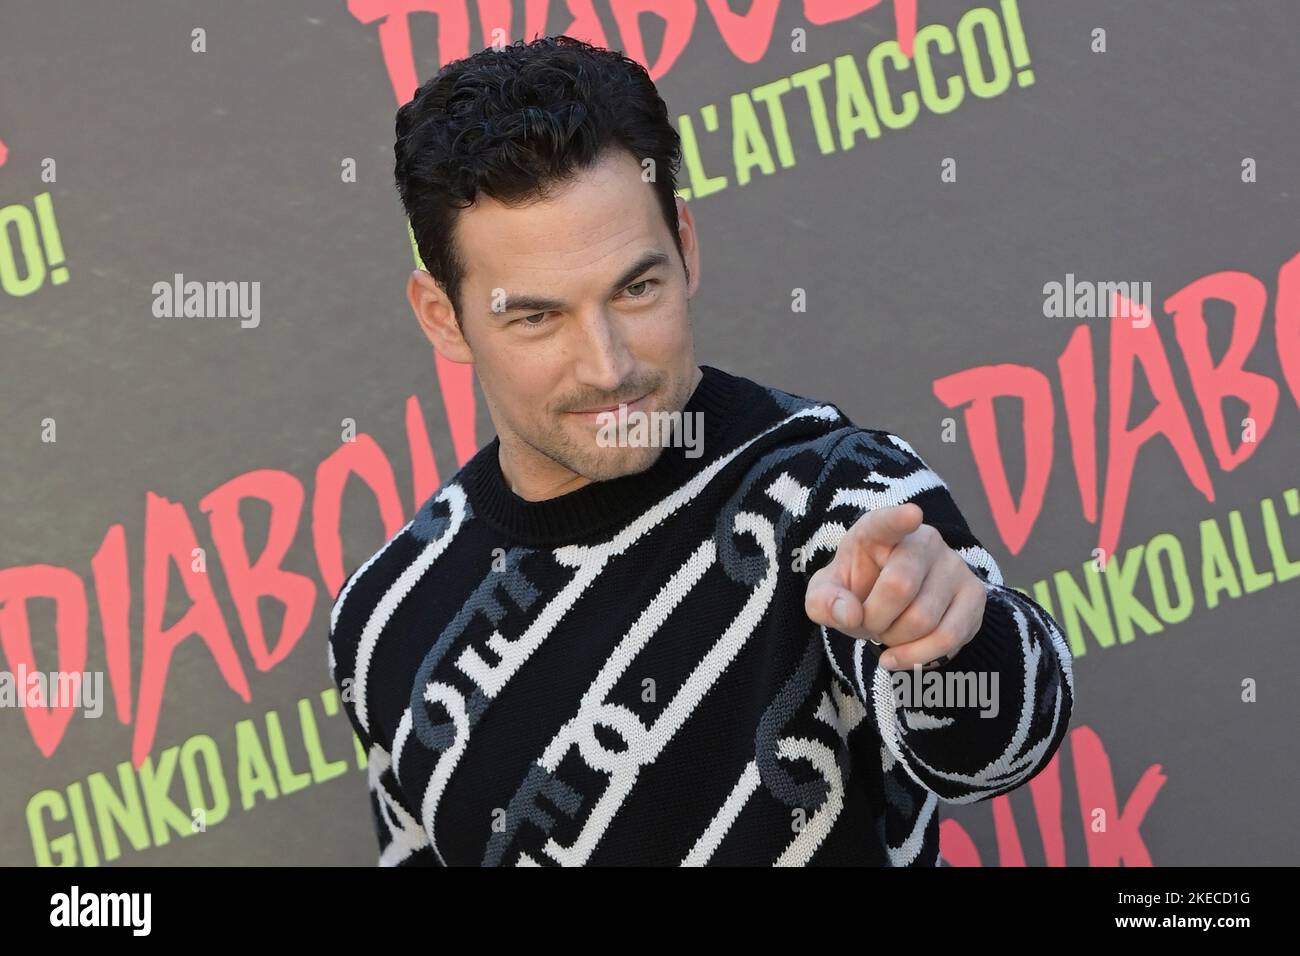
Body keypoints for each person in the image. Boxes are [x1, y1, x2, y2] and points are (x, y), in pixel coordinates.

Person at [327, 35, 1074, 866]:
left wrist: (952, 640)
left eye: (636, 288)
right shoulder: (384, 615)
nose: (609, 366)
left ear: (685, 245)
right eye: (537, 317)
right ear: (441, 316)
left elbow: (999, 750)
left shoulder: (836, 490)